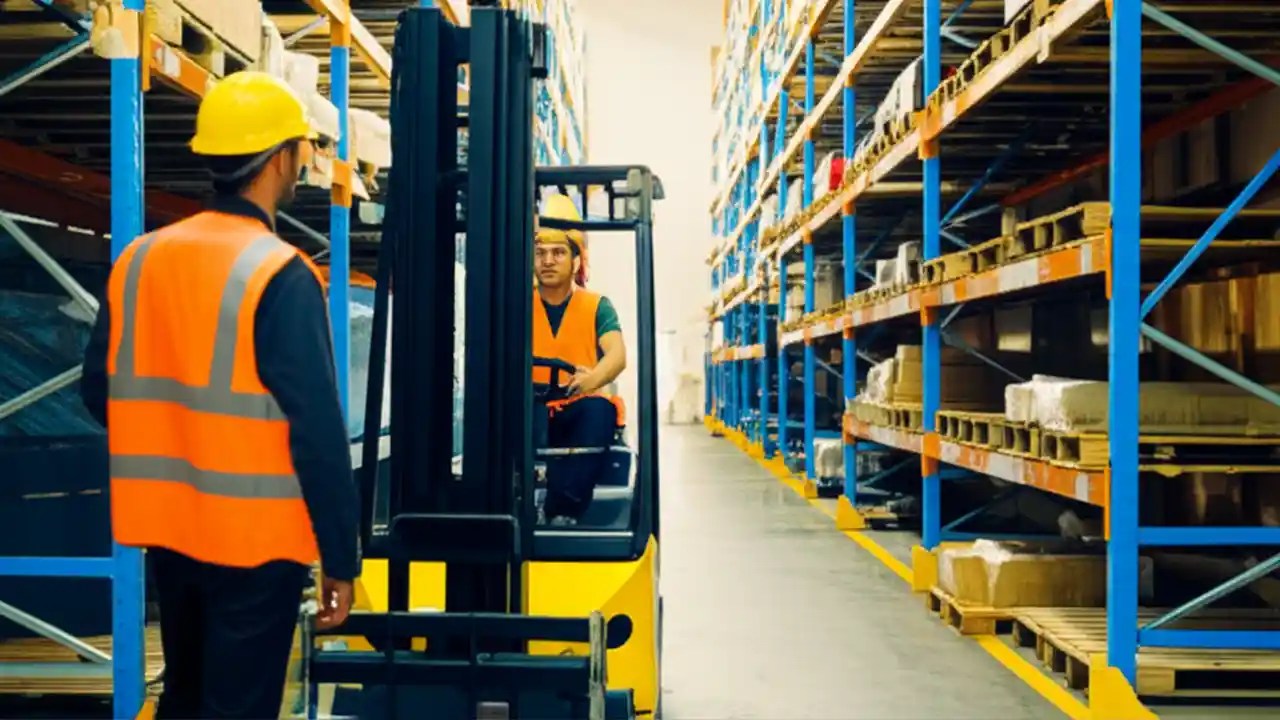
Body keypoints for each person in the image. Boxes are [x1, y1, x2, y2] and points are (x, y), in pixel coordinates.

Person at [79, 71, 359, 719]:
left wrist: (180, 444)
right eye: (302, 151)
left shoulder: (141, 260)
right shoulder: (278, 271)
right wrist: (341, 558)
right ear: (281, 158)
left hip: (170, 532)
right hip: (256, 545)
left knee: (186, 697)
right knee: (237, 706)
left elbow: (101, 393)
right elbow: (315, 431)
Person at [532, 193, 626, 525]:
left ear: (576, 260)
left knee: (600, 409)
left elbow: (616, 354)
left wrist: (592, 379)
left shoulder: (596, 305)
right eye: (540, 252)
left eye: (558, 252)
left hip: (575, 406)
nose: (548, 260)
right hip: (527, 409)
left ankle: (561, 511)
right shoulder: (515, 300)